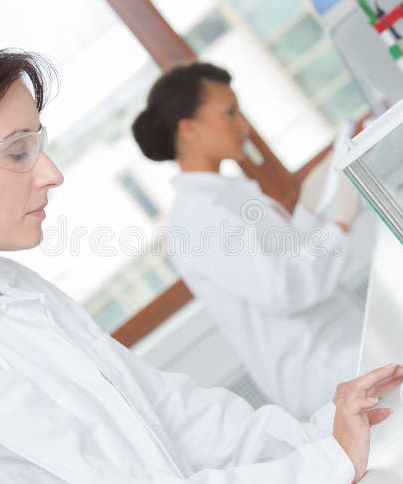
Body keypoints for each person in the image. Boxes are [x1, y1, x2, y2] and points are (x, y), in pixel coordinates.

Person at [0, 33, 403, 484]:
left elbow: (169, 412)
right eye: (18, 153)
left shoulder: (12, 288)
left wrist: (320, 435)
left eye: (39, 146)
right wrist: (324, 461)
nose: (52, 174)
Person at [132, 62, 365, 418]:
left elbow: (284, 258)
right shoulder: (199, 218)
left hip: (342, 354)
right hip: (325, 375)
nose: (243, 125)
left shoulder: (224, 196)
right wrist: (339, 226)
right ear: (189, 129)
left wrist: (309, 207)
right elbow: (284, 288)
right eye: (229, 113)